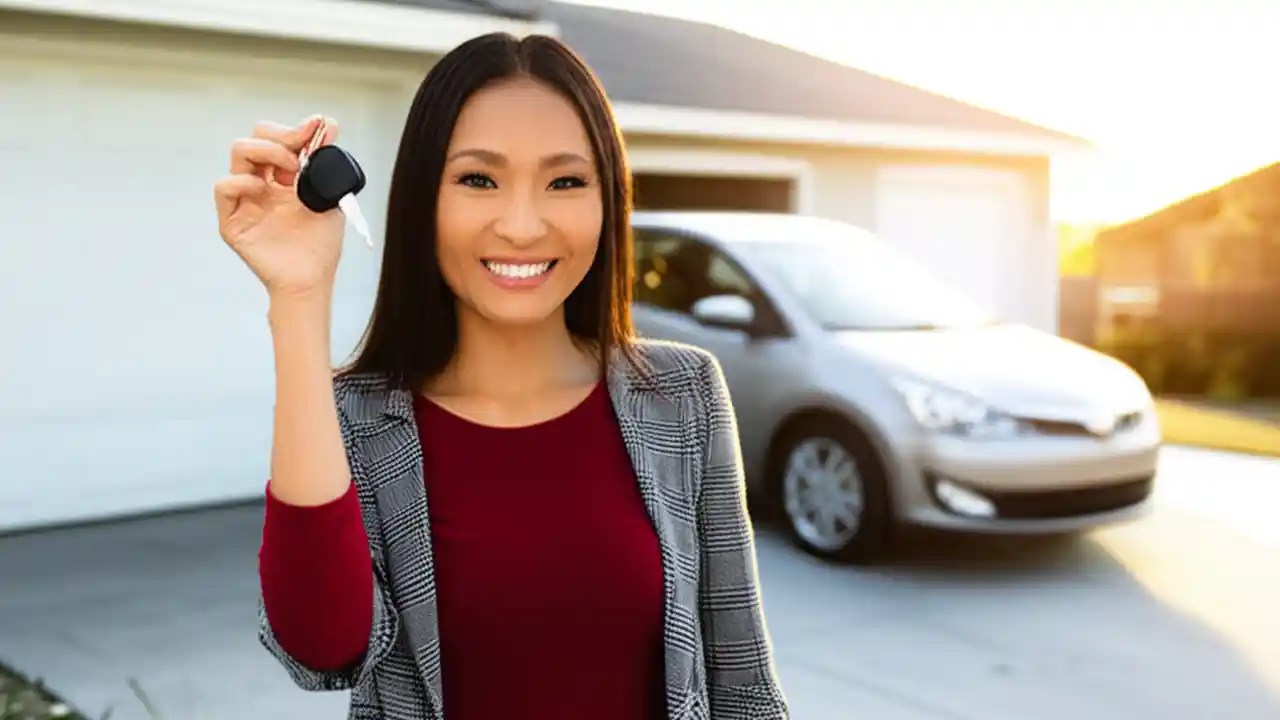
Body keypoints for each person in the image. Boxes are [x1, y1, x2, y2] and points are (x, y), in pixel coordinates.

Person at [213, 32, 789, 720]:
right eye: (479, 179)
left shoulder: (683, 395)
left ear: (608, 202)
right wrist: (299, 298)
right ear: (424, 199)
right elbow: (321, 651)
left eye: (566, 181)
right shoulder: (356, 422)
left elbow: (745, 685)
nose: (522, 225)